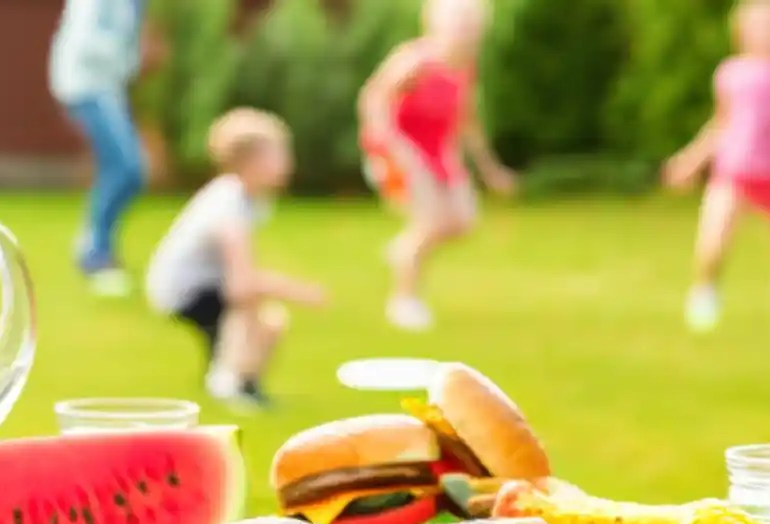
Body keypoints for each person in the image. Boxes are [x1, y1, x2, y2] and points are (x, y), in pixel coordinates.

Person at [145, 109, 327, 409]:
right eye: (279, 154)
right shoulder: (229, 205)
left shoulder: (247, 199)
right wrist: (295, 290)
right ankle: (230, 381)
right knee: (257, 313)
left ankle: (240, 380)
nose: (288, 162)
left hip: (204, 285)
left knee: (264, 317)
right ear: (250, 161)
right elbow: (240, 285)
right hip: (184, 292)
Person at [359, 0, 516, 332]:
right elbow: (373, 101)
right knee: (429, 222)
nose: (467, 30)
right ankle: (404, 301)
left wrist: (491, 169)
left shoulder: (464, 67)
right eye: (460, 22)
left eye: (472, 24)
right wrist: (395, 150)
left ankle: (404, 249)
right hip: (400, 152)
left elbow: (466, 122)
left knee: (463, 221)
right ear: (436, 23)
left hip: (437, 153)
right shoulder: (416, 61)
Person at [664, 0, 770, 332]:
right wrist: (690, 161)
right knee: (713, 240)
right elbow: (720, 123)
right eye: (760, 25)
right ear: (742, 31)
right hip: (734, 170)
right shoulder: (730, 73)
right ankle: (705, 291)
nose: (767, 32)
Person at [49, 0, 150, 297]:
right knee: (127, 168)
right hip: (86, 85)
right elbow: (86, 39)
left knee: (117, 168)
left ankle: (97, 246)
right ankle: (95, 251)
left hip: (107, 86)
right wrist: (130, 59)